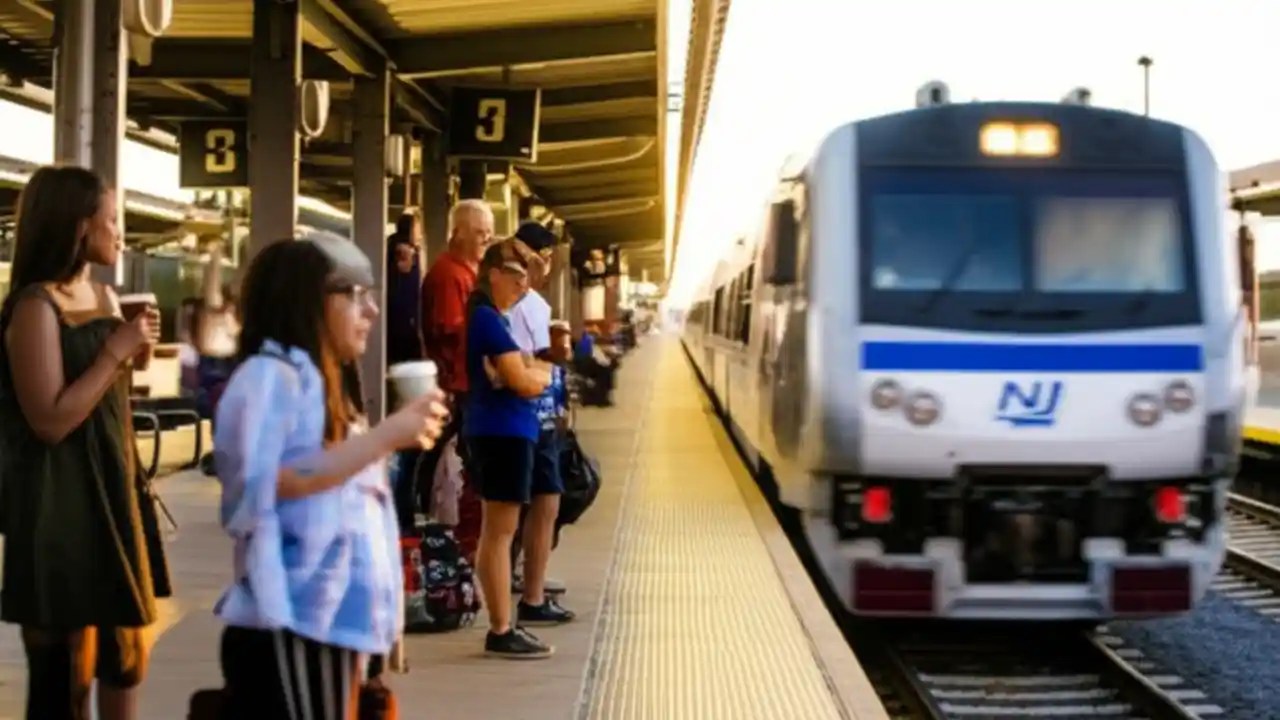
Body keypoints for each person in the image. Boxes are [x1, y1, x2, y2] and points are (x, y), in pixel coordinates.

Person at [212, 233, 450, 716]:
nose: (371, 312)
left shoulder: (322, 387)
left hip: (332, 627)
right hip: (294, 625)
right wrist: (383, 438)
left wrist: (384, 627)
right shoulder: (268, 377)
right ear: (307, 299)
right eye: (355, 295)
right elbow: (268, 481)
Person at [0, 165, 167, 720]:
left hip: (113, 493)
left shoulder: (103, 295)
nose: (119, 231)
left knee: (126, 655)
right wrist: (115, 352)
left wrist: (134, 353)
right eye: (112, 218)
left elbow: (105, 400)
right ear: (78, 225)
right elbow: (48, 419)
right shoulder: (33, 307)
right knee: (63, 673)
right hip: (58, 504)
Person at [465, 243, 557, 658]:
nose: (522, 282)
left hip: (506, 430)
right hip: (501, 431)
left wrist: (527, 371)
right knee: (499, 533)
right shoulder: (486, 319)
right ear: (491, 273)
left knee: (499, 531)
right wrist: (533, 374)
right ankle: (501, 629)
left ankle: (503, 625)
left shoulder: (495, 317)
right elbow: (525, 381)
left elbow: (527, 371)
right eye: (514, 272)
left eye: (526, 275)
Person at [505, 221, 572, 610]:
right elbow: (526, 360)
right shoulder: (518, 303)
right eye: (545, 259)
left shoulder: (518, 302)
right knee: (537, 504)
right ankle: (529, 595)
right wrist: (551, 357)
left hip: (537, 413)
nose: (548, 268)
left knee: (541, 501)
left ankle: (531, 588)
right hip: (530, 413)